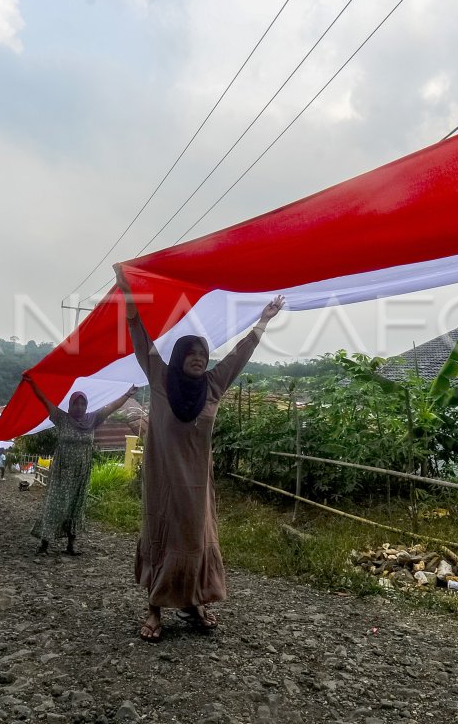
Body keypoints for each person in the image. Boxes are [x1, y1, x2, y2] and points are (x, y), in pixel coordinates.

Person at [116, 263, 284, 642]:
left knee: (193, 539)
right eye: (191, 353)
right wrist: (128, 292)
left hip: (196, 484)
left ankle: (193, 601)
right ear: (178, 357)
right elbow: (139, 335)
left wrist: (263, 320)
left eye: (202, 353)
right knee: (161, 535)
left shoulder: (213, 385)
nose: (198, 358)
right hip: (162, 481)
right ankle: (155, 609)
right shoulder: (159, 377)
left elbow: (240, 355)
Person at [24, 376, 138, 556]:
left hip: (82, 472)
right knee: (56, 505)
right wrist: (32, 383)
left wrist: (127, 394)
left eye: (83, 404)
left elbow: (112, 407)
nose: (79, 407)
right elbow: (44, 400)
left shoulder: (93, 419)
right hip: (62, 472)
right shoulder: (61, 418)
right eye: (76, 404)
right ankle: (44, 544)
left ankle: (71, 545)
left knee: (76, 506)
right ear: (70, 406)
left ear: (87, 406)